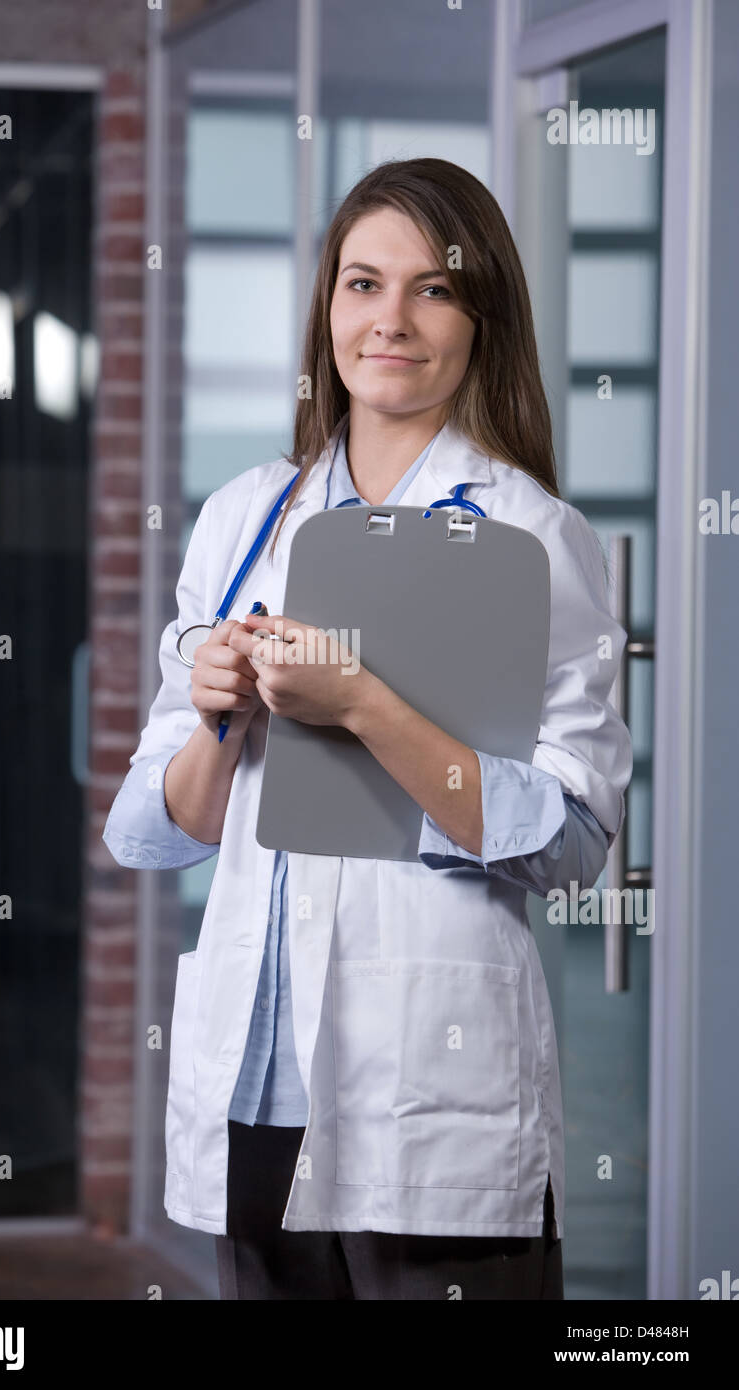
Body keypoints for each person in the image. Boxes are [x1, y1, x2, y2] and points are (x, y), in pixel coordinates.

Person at [103, 157, 633, 1300]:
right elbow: (154, 829)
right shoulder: (245, 515)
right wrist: (219, 717)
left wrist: (365, 709)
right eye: (359, 283)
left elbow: (574, 840)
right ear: (325, 310)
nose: (388, 319)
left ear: (480, 316)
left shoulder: (531, 537)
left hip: (430, 1099)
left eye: (432, 289)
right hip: (256, 1091)